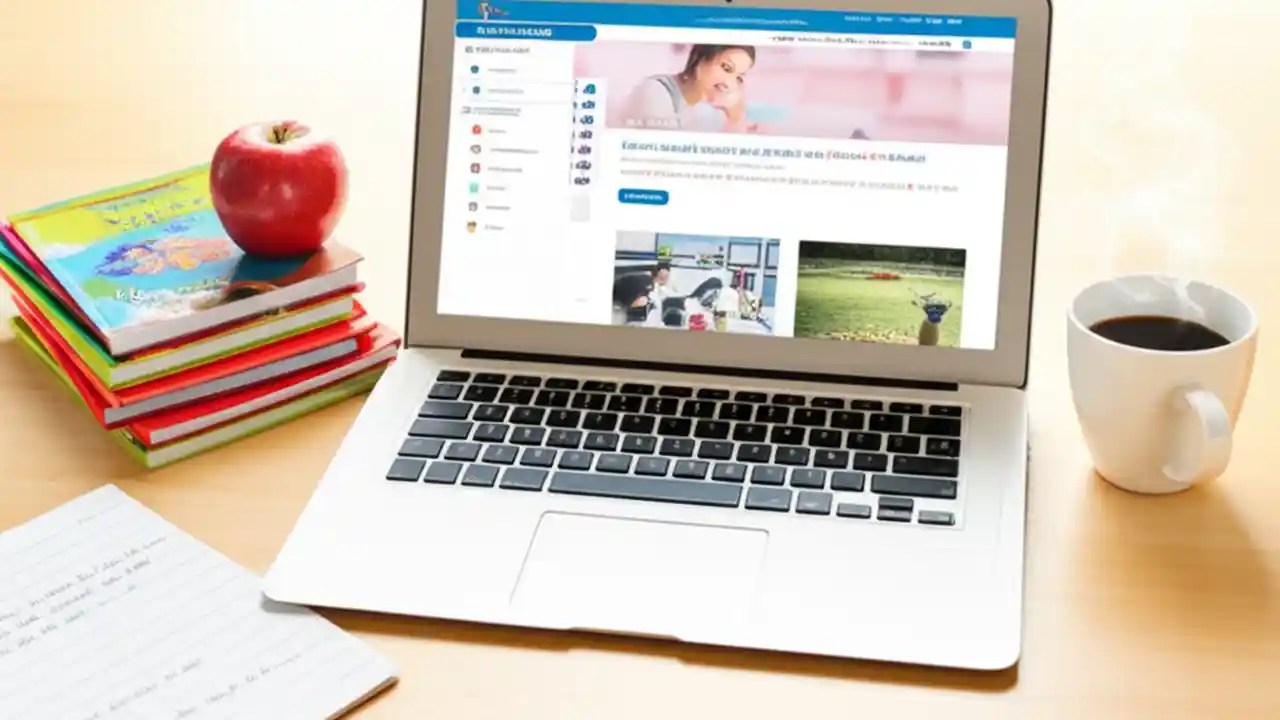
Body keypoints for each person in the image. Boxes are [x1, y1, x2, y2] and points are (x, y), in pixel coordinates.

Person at [621, 44, 758, 133]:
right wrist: (735, 123)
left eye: (739, 78)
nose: (729, 84)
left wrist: (735, 117)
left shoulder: (692, 108)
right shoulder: (655, 91)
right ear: (699, 59)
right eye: (726, 68)